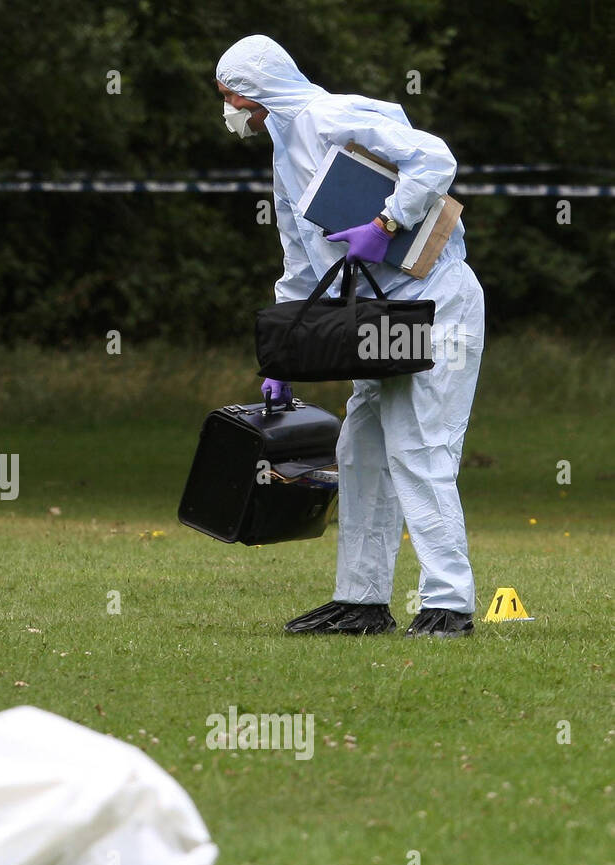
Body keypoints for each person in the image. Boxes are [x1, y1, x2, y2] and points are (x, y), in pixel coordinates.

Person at [215, 34, 485, 638]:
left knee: (420, 451)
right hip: (377, 320)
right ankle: (361, 602)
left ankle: (449, 605)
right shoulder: (285, 149)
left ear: (255, 90)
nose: (229, 108)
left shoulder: (330, 116)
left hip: (435, 305)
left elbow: (435, 158)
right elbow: (301, 261)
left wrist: (387, 221)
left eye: (230, 95)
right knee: (360, 452)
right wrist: (285, 351)